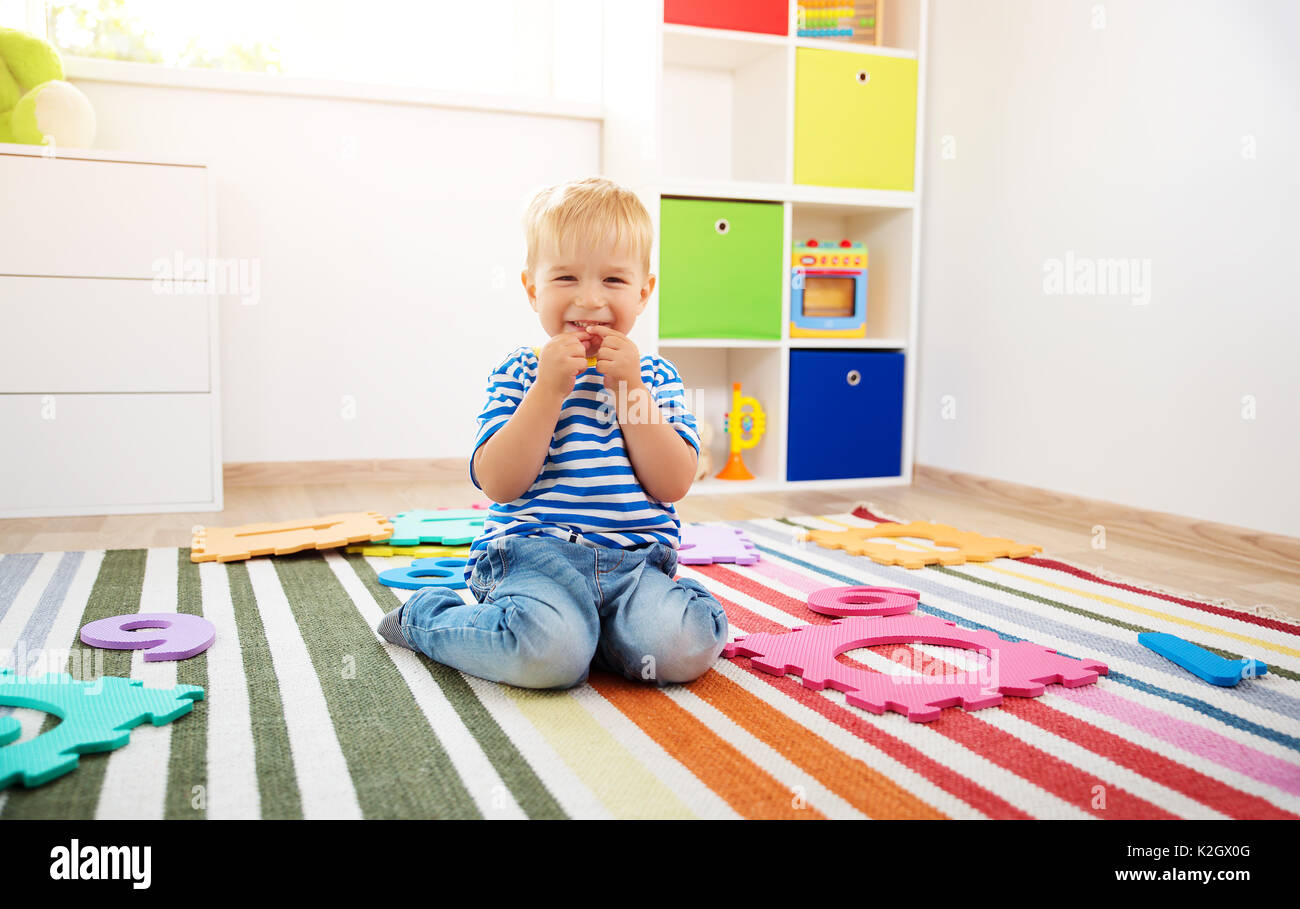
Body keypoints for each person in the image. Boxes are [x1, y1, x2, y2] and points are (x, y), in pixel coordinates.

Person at [376, 176, 728, 689]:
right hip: (535, 560)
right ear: (532, 289)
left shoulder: (654, 377)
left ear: (644, 291)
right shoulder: (520, 373)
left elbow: (673, 483)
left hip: (635, 568)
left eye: (613, 281)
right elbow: (500, 483)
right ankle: (425, 618)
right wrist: (546, 393)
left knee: (680, 647)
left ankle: (606, 634)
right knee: (550, 659)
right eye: (565, 278)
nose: (589, 300)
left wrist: (630, 389)